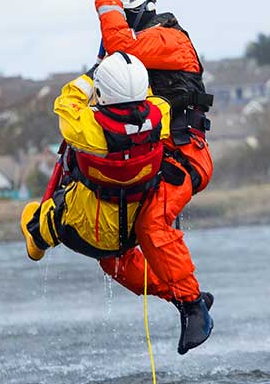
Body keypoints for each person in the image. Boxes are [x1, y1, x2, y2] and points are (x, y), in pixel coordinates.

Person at [93, 0, 216, 354]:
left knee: (152, 223)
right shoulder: (132, 52)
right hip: (146, 159)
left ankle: (193, 304)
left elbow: (119, 48)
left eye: (122, 17)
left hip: (184, 153)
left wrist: (105, 2)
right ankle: (184, 299)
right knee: (111, 254)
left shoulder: (169, 39)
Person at [19, 51, 168, 262]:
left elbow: (68, 100)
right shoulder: (162, 116)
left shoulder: (86, 127)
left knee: (50, 213)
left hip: (84, 234)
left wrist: (95, 71)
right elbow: (150, 99)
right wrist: (128, 73)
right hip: (136, 232)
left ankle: (37, 241)